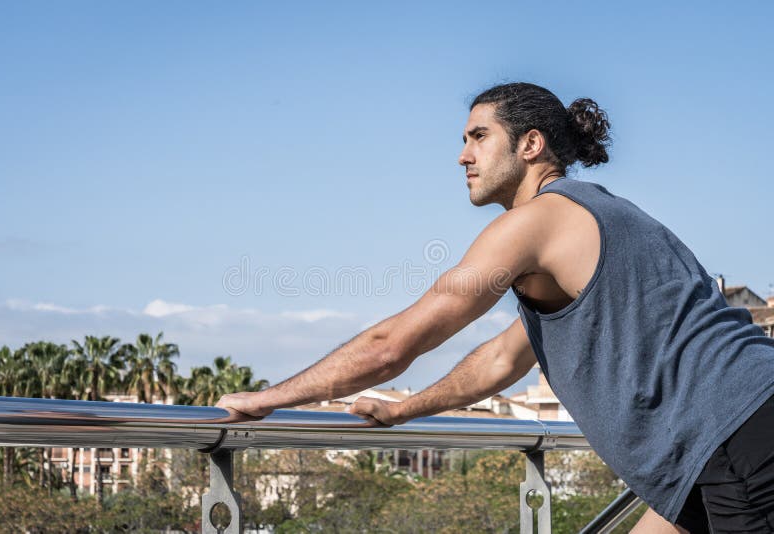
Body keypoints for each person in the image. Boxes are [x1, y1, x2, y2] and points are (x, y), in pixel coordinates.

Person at [217, 82, 774, 533]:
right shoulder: (594, 220)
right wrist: (405, 411)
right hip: (719, 445)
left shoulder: (535, 221)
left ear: (531, 145)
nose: (463, 155)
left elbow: (393, 346)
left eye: (479, 136)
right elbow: (502, 360)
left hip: (737, 433)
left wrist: (268, 398)